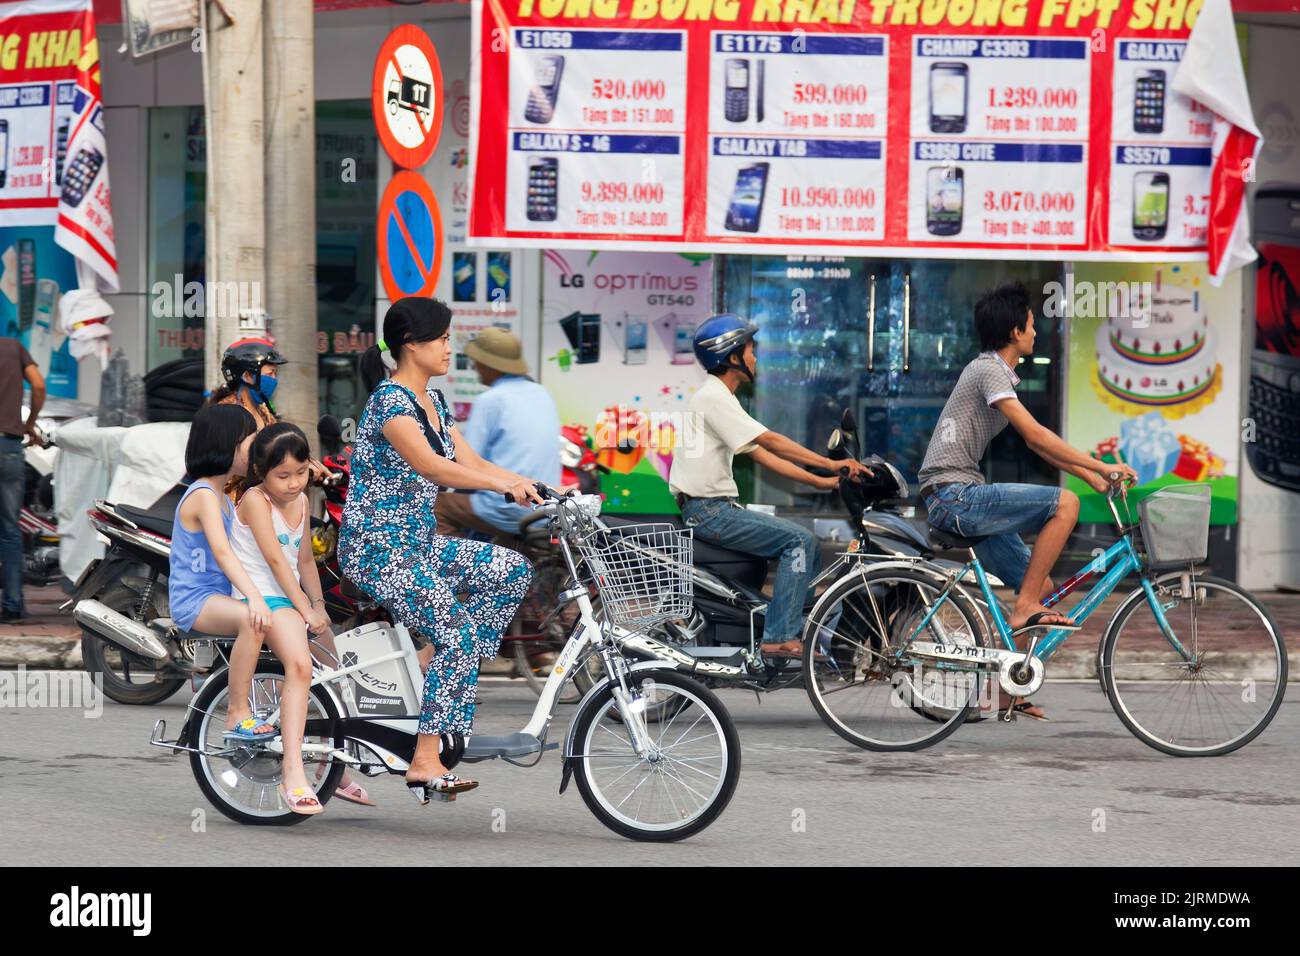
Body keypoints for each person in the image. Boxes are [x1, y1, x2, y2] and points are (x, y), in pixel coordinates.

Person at [340, 297, 542, 799]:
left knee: (511, 570)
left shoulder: (435, 401)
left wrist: (525, 482)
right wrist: (500, 488)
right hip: (376, 549)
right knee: (459, 634)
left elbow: (469, 458)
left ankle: (430, 661)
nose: (452, 348)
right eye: (444, 338)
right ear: (412, 345)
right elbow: (435, 468)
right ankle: (425, 760)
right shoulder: (391, 402)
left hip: (418, 545)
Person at [916, 281, 1137, 719]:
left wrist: (1091, 474)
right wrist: (1100, 465)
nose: (1037, 332)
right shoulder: (988, 370)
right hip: (954, 495)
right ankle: (1023, 608)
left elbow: (1038, 447)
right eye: (1033, 325)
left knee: (1044, 588)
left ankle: (1004, 694)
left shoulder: (993, 372)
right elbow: (1036, 435)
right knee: (1065, 505)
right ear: (1015, 331)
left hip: (956, 494)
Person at [668, 314, 871, 660]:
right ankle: (779, 636)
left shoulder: (718, 399)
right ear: (731, 356)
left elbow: (761, 454)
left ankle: (787, 622)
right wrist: (830, 463)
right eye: (750, 350)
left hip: (711, 509)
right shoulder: (713, 398)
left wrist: (824, 482)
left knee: (809, 548)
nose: (755, 358)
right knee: (800, 540)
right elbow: (770, 441)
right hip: (709, 512)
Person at [227, 423, 336, 814]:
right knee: (301, 666)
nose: (294, 483)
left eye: (302, 472)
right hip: (261, 596)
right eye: (283, 475)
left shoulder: (303, 501)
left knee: (334, 668)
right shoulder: (256, 501)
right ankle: (293, 773)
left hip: (289, 595)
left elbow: (304, 559)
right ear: (261, 472)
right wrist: (304, 608)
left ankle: (335, 766)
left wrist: (319, 604)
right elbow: (275, 562)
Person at [168, 405, 275, 739]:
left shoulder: (224, 496)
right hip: (196, 600)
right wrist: (255, 598)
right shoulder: (203, 494)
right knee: (252, 619)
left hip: (218, 597)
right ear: (227, 443)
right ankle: (236, 712)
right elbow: (223, 552)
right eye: (250, 440)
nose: (256, 448)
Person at [434, 327, 561, 540]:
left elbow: (467, 461)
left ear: (489, 365)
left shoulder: (492, 400)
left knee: (436, 506)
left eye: (478, 361)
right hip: (545, 506)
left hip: (509, 507)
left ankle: (455, 568)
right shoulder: (542, 393)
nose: (475, 366)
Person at [208, 338, 332, 483]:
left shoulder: (263, 410)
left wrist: (308, 463)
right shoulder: (228, 413)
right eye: (270, 373)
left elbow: (279, 447)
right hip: (234, 500)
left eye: (275, 374)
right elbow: (246, 459)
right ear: (247, 376)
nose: (274, 379)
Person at [1, 337, 44, 622]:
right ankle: (13, 605)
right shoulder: (13, 347)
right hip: (8, 448)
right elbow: (38, 385)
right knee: (9, 530)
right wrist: (29, 423)